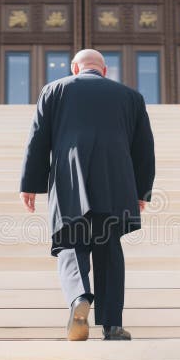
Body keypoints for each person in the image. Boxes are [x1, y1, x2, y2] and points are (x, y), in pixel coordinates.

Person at [19, 49, 155, 341]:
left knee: (70, 242)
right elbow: (144, 148)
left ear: (74, 68)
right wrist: (142, 190)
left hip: (71, 178)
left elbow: (38, 138)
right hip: (115, 180)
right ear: (104, 70)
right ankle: (112, 325)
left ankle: (79, 296)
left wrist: (30, 184)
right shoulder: (130, 96)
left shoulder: (54, 90)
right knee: (108, 248)